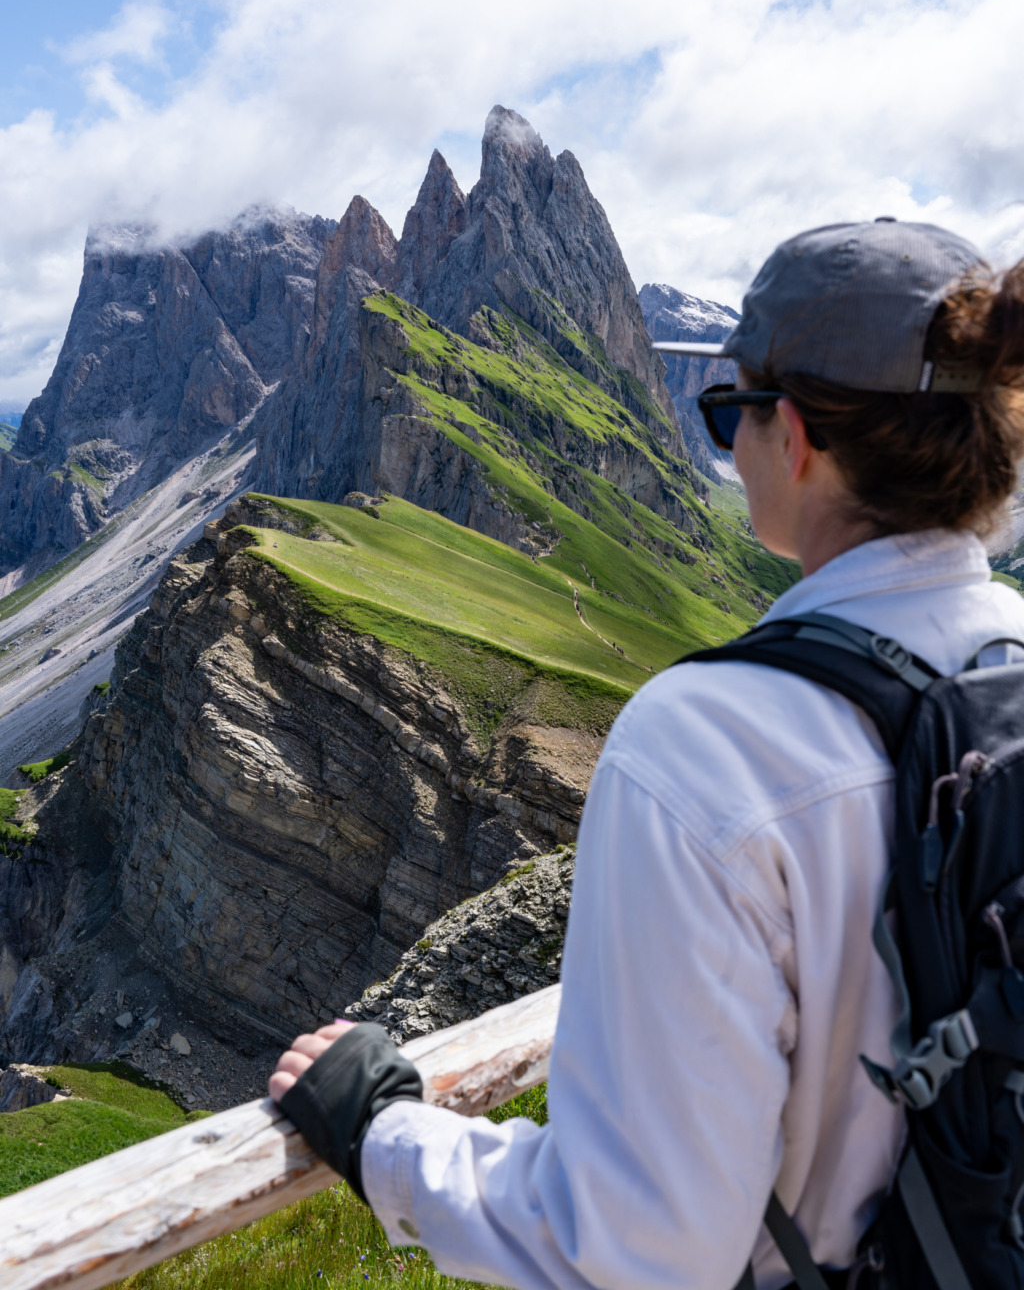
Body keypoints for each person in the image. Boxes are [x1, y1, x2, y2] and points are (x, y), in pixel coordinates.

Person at [269, 219, 1024, 1289]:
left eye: (729, 417)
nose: (730, 444)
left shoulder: (708, 745)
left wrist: (379, 1131)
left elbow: (639, 1247)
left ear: (795, 437)